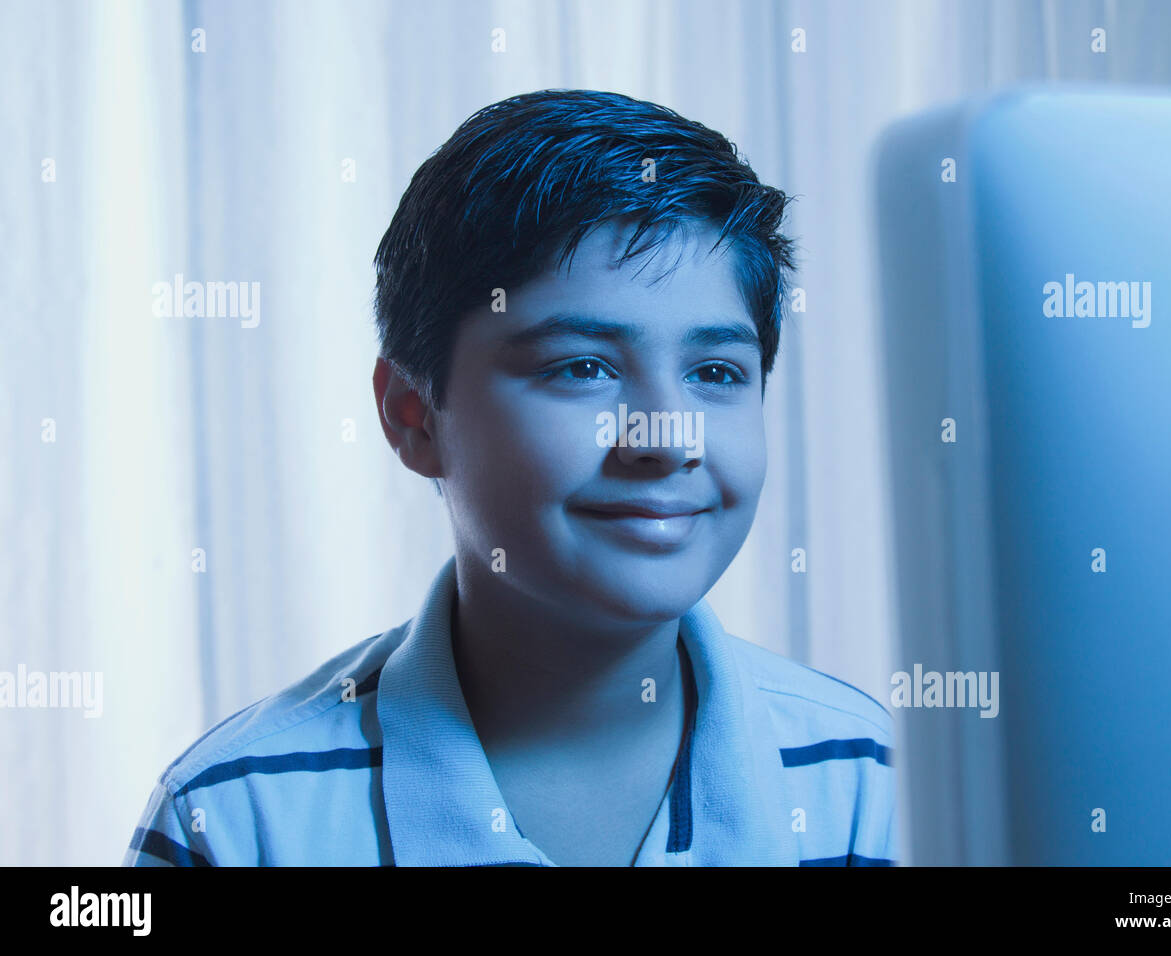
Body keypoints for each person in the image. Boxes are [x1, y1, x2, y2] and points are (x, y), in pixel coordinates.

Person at [124, 89, 897, 866]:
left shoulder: (873, 788)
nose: (666, 437)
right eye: (583, 367)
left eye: (716, 372)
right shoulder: (233, 821)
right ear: (413, 415)